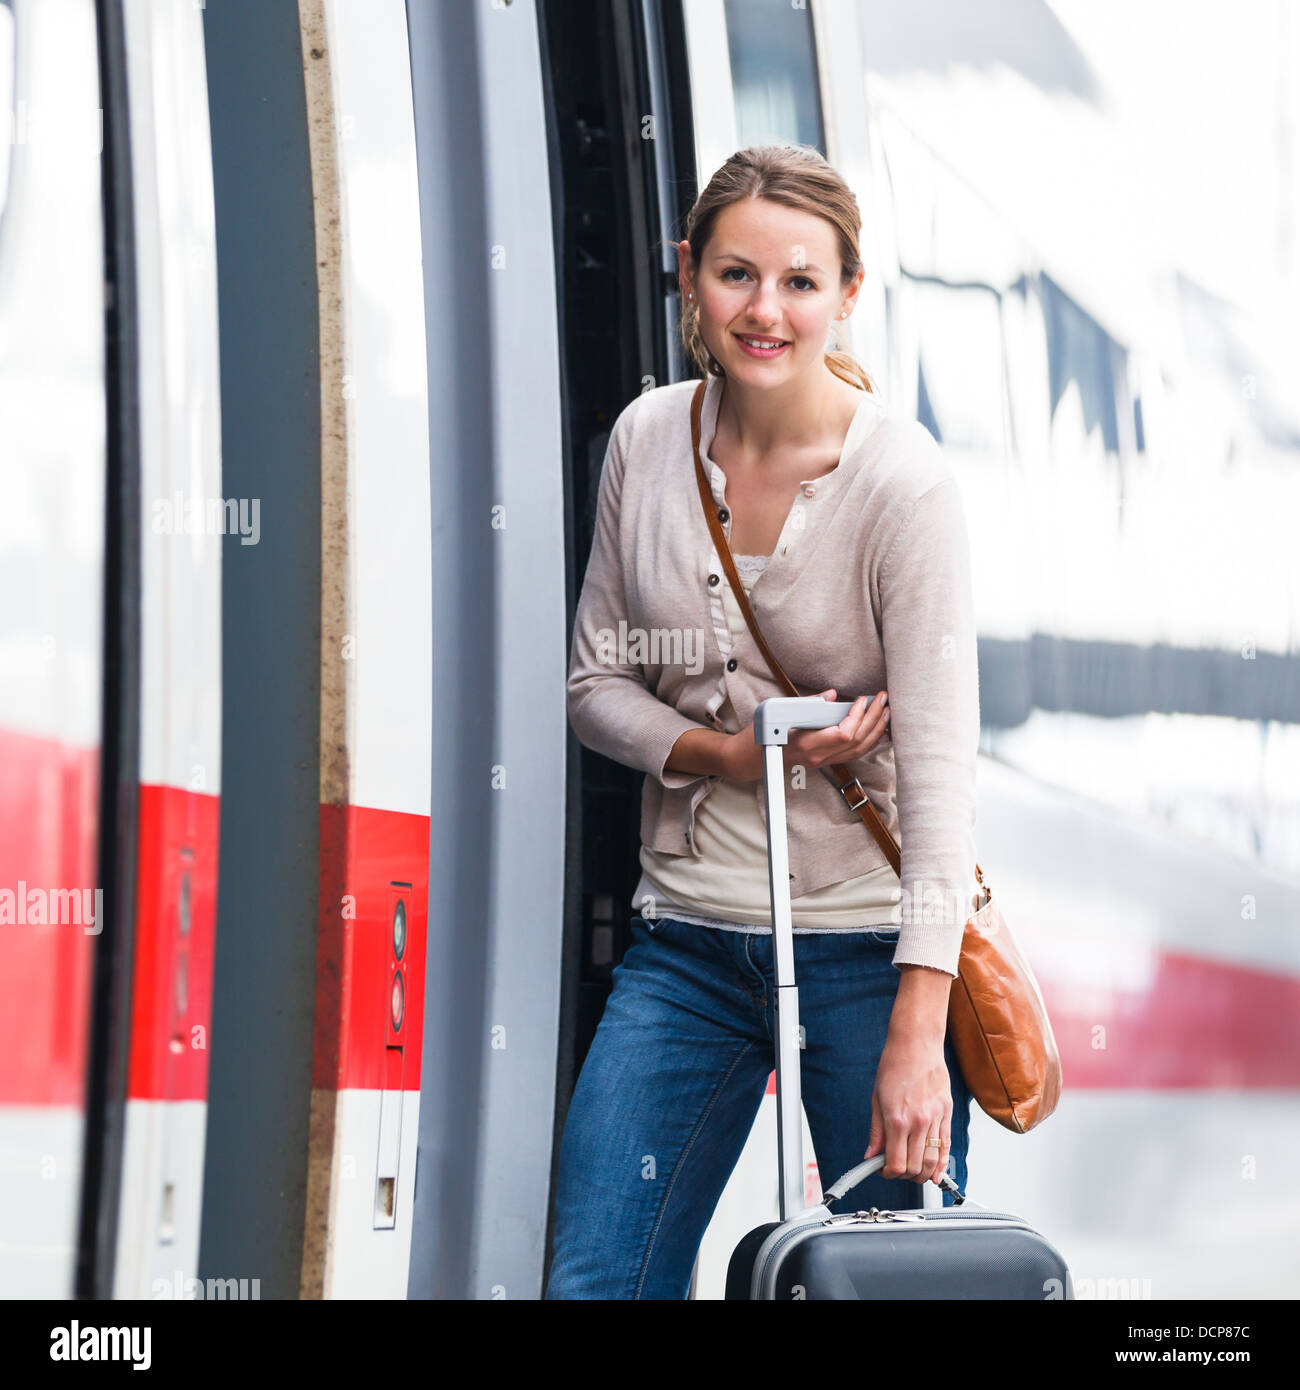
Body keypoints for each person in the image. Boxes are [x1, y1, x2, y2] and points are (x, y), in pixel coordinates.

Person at [546, 144, 981, 1299]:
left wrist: (915, 1036)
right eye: (737, 274)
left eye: (799, 281)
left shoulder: (904, 488)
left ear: (847, 293)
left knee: (889, 1284)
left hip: (862, 953)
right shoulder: (647, 442)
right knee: (598, 1280)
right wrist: (728, 756)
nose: (765, 310)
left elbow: (939, 776)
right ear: (688, 273)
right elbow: (593, 685)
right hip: (684, 942)